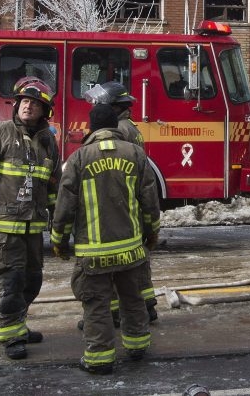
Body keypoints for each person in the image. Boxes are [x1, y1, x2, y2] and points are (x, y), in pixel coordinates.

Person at [51, 104, 162, 375]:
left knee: (97, 305)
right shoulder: (135, 154)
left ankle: (99, 360)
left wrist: (59, 240)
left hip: (93, 254)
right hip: (130, 250)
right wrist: (151, 234)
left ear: (92, 127)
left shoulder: (78, 158)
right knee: (132, 298)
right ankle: (137, 346)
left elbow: (64, 206)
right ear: (115, 125)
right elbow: (150, 202)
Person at [0, 77, 60, 360]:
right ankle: (9, 335)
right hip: (4, 226)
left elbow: (52, 183)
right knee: (10, 280)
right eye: (25, 102)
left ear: (45, 112)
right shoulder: (1, 133)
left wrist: (56, 215)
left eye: (35, 104)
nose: (28, 107)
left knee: (32, 280)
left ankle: (18, 323)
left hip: (32, 227)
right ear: (16, 105)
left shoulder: (47, 141)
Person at [82, 81, 158, 323]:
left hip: (115, 203)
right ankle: (147, 306)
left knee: (114, 263)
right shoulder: (130, 127)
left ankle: (113, 313)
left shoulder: (119, 130)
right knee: (136, 261)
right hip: (131, 202)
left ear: (112, 107)